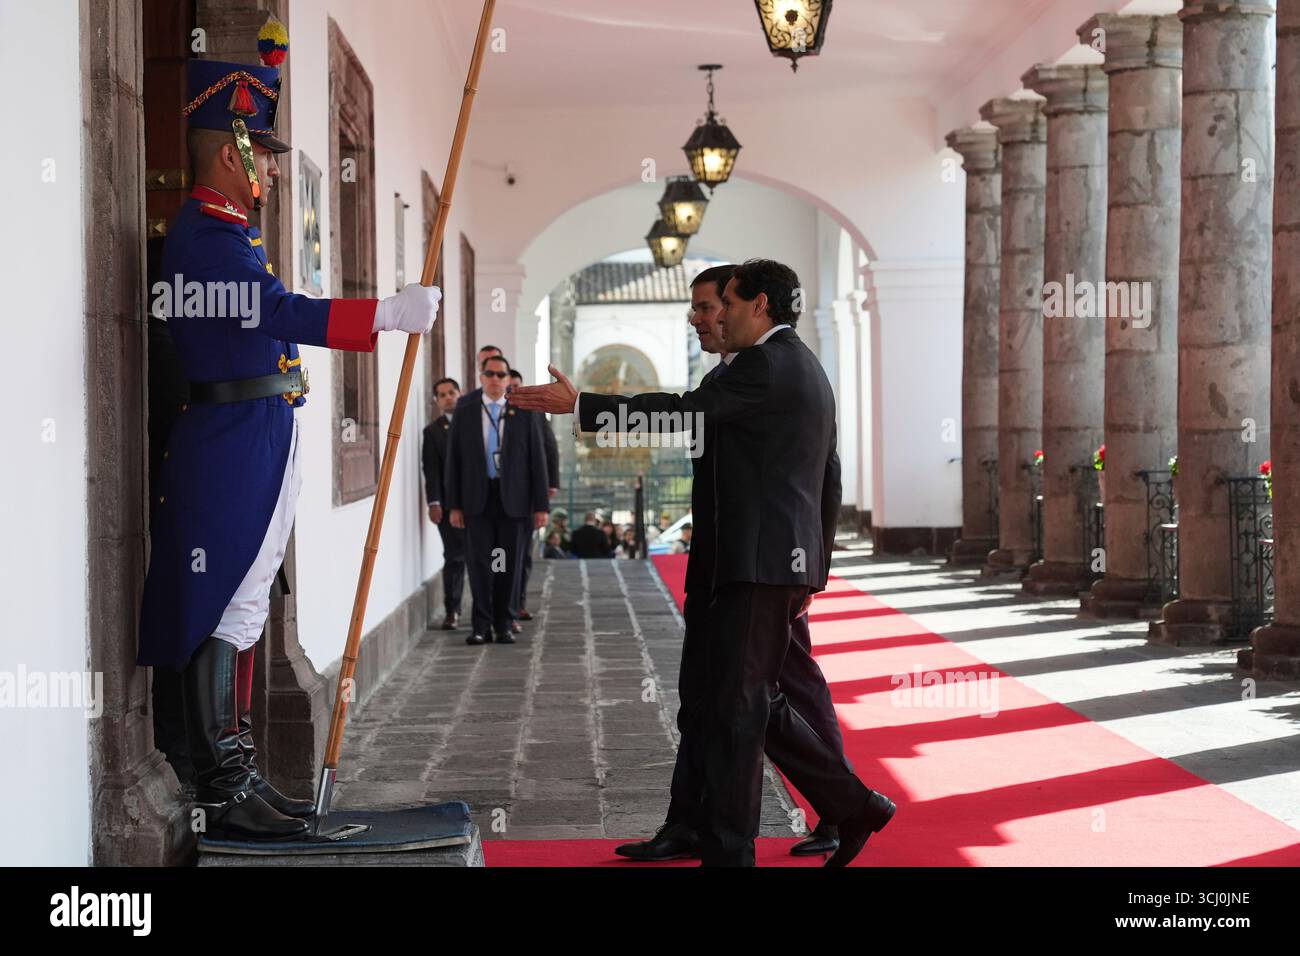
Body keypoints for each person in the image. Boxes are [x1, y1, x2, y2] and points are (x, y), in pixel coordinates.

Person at [136, 16, 441, 842]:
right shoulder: (206, 235)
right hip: (232, 435)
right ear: (231, 153)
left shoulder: (227, 234)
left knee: (241, 606)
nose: (272, 166)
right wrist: (383, 313)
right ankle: (221, 784)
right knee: (218, 605)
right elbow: (272, 312)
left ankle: (237, 774)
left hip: (256, 430)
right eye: (264, 153)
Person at [511, 259, 895, 867]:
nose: (716, 317)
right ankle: (845, 806)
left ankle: (740, 849)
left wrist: (583, 404)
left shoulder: (769, 363)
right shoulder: (779, 364)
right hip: (743, 561)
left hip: (759, 563)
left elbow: (682, 413)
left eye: (727, 306)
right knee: (729, 701)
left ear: (760, 306)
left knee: (742, 707)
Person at [443, 354, 550, 646]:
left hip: (513, 500)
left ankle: (504, 622)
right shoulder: (465, 408)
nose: (495, 380)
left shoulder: (523, 409)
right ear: (481, 376)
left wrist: (541, 505)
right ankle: (480, 625)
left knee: (508, 565)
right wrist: (453, 504)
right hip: (477, 499)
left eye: (500, 375)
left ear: (507, 379)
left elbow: (536, 459)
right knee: (480, 565)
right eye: (489, 374)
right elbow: (454, 460)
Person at [508, 368, 559, 622]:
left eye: (517, 387)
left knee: (521, 555)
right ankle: (502, 606)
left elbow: (547, 449)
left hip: (524, 498)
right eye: (510, 388)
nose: (512, 392)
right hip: (495, 500)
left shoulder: (534, 415)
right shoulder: (488, 415)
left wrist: (551, 485)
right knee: (500, 557)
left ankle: (517, 602)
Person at [422, 377, 466, 629]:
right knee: (455, 557)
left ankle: (495, 610)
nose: (449, 397)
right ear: (437, 401)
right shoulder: (433, 432)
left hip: (479, 502)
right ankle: (452, 611)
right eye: (443, 394)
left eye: (452, 392)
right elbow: (431, 469)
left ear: (460, 394)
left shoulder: (477, 424)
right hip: (449, 505)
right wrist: (434, 502)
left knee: (490, 558)